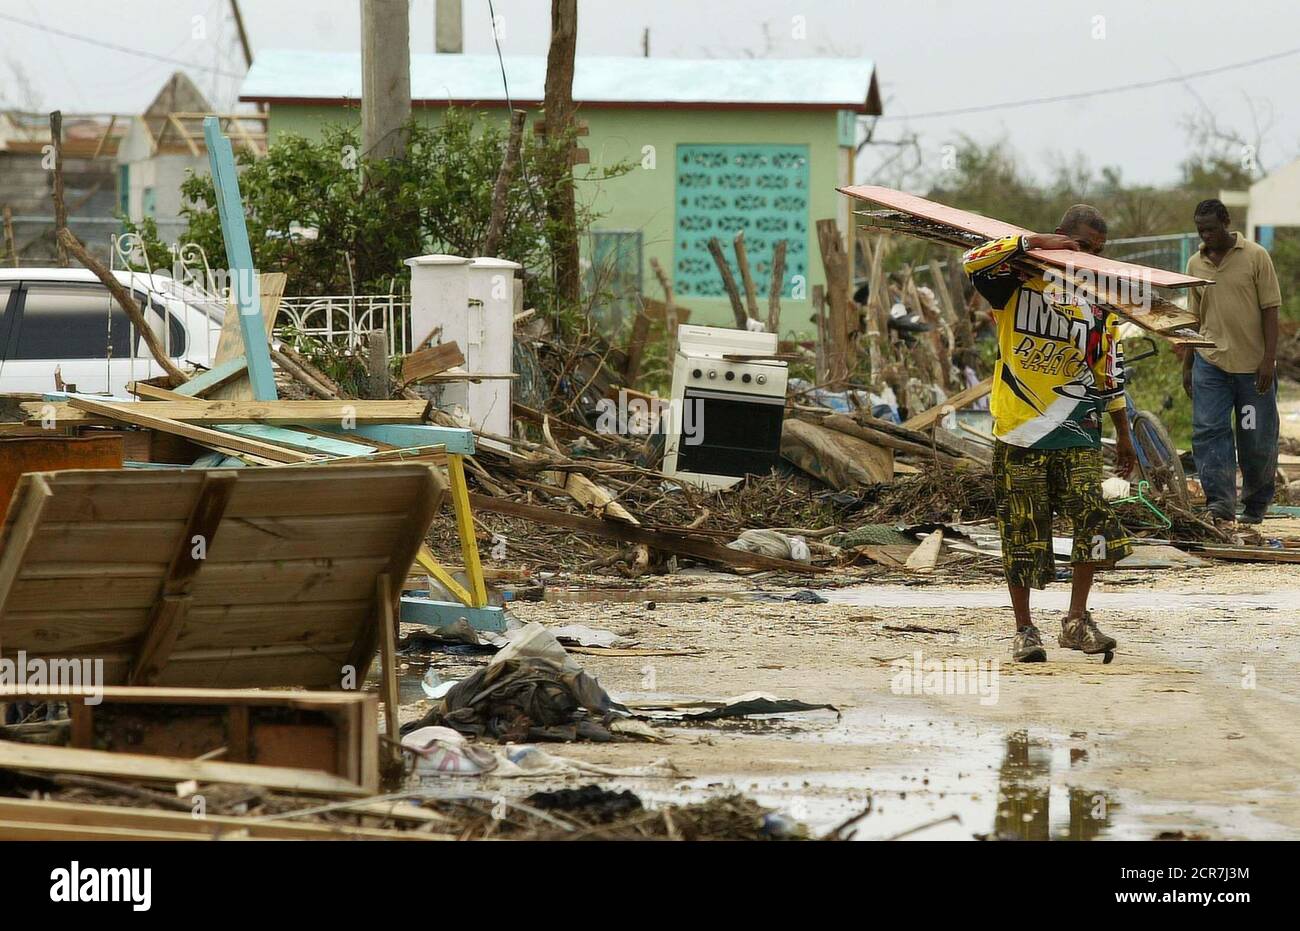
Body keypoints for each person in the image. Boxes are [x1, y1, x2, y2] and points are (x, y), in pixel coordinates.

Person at [962, 205, 1136, 662]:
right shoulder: (1013, 281)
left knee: (1092, 520)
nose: (1089, 256)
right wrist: (1036, 243)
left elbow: (1109, 368)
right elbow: (972, 261)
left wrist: (1123, 430)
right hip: (1019, 429)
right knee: (1021, 529)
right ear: (1062, 237)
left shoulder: (1099, 298)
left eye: (1098, 250)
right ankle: (1024, 630)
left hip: (1078, 426)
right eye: (1081, 245)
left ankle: (1076, 620)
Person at [1182, 199, 1282, 525]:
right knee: (1209, 432)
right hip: (1209, 362)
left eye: (1211, 228)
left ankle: (1254, 506)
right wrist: (1187, 364)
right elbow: (1193, 319)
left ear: (1226, 221)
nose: (1206, 235)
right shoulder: (1195, 263)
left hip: (1252, 369)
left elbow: (1271, 310)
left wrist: (1268, 359)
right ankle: (1220, 506)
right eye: (1201, 230)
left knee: (1255, 438)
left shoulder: (1255, 256)